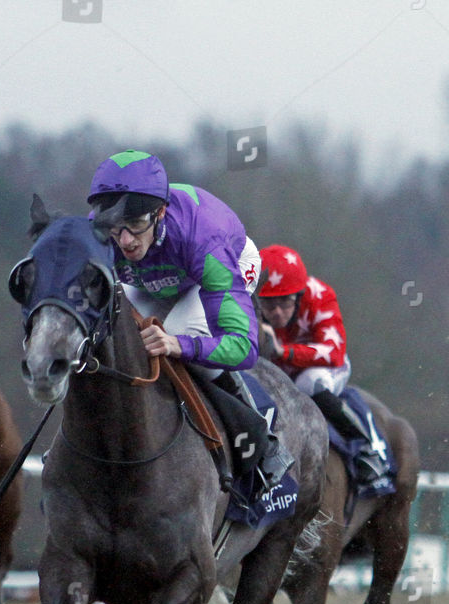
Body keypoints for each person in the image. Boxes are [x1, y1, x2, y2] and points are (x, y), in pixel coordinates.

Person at [86, 150, 292, 493]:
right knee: (114, 340)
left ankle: (259, 437)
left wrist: (179, 344)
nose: (124, 241)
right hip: (157, 275)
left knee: (177, 335)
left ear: (159, 212)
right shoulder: (101, 232)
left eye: (135, 225)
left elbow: (244, 348)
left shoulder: (203, 238)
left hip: (220, 263)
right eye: (115, 227)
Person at [256, 243, 389, 488]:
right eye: (268, 303)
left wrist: (284, 351)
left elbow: (334, 352)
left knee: (309, 382)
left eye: (285, 301)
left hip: (325, 370)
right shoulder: (247, 306)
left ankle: (366, 448)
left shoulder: (320, 296)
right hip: (277, 374)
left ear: (299, 295)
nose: (277, 312)